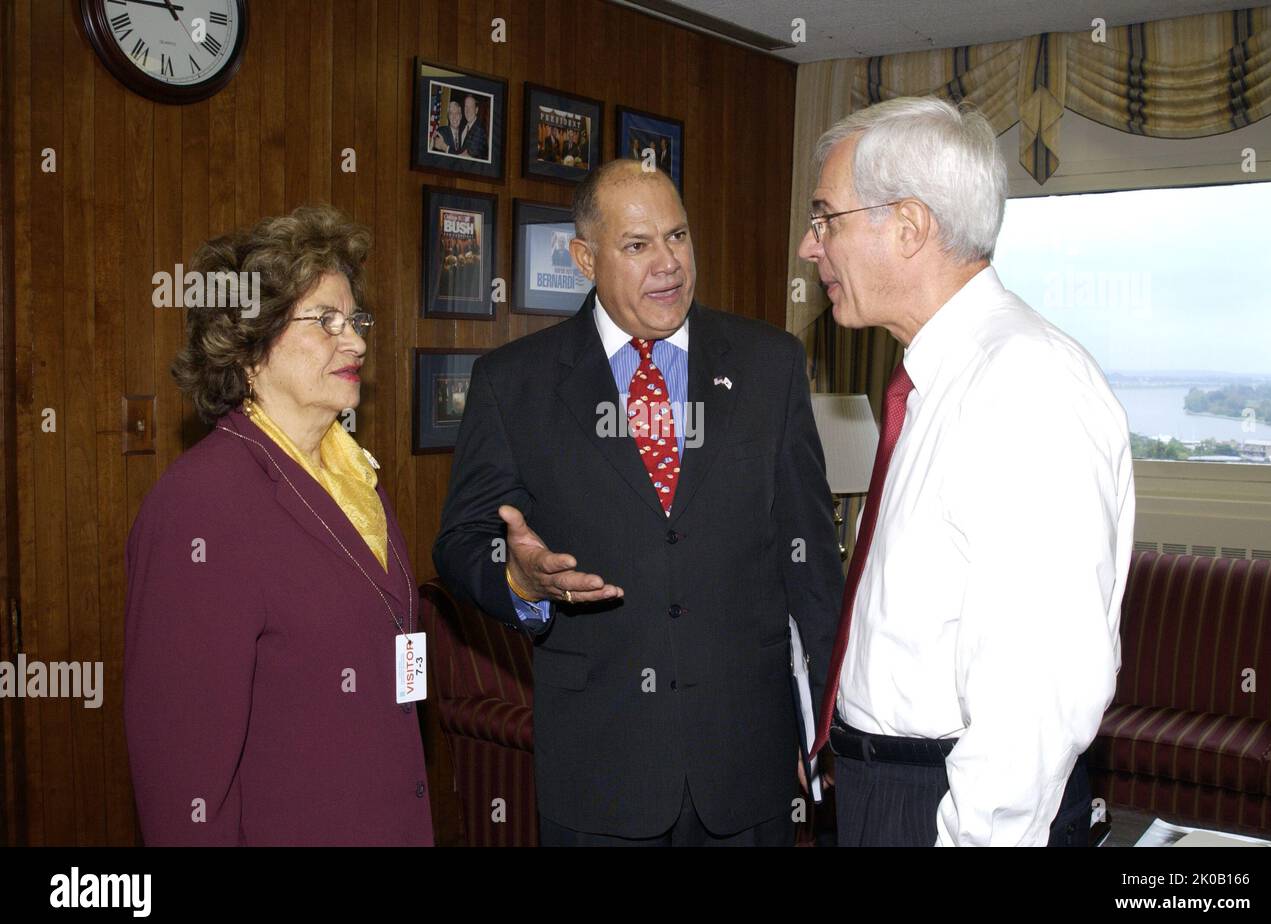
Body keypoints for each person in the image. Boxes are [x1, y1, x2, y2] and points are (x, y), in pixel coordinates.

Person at [435, 158, 843, 845]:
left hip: (746, 768)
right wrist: (517, 577)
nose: (668, 263)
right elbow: (460, 543)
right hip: (600, 773)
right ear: (584, 258)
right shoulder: (515, 383)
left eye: (678, 237)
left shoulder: (768, 365)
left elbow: (812, 573)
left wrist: (825, 732)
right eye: (637, 245)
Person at [798, 96, 1135, 846]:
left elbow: (1034, 701)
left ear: (909, 226)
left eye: (826, 218)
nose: (808, 247)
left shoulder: (1024, 386)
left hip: (946, 807)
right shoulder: (936, 381)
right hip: (882, 789)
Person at [124, 204, 433, 846]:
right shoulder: (200, 505)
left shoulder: (354, 477)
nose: (356, 341)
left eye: (355, 320)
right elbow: (183, 773)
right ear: (247, 343)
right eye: (326, 321)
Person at [460, 94, 488, 160]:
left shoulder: (479, 130)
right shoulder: (463, 126)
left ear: (476, 110)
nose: (467, 110)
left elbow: (469, 157)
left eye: (471, 107)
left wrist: (446, 148)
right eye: (466, 107)